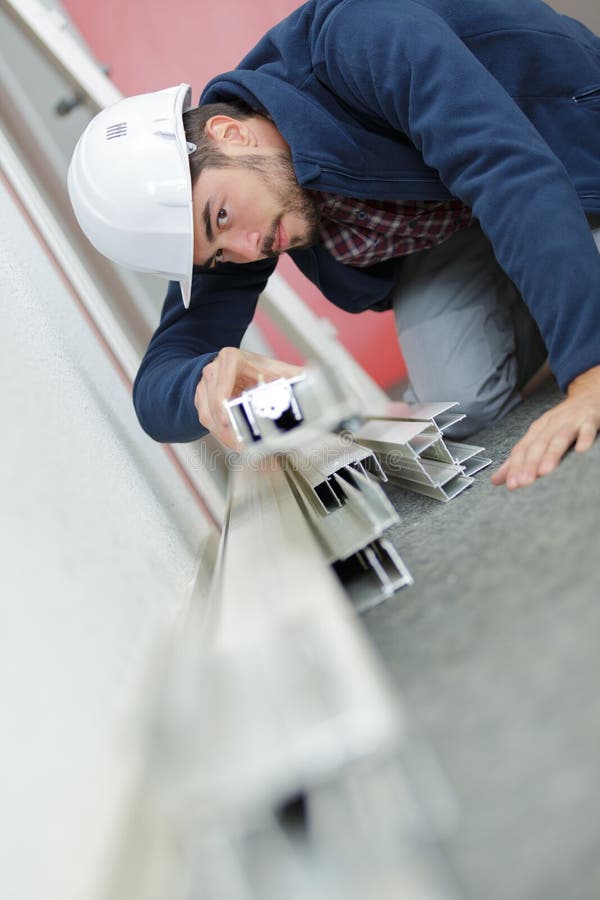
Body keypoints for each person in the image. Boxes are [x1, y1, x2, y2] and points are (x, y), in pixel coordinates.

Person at [68, 0, 600, 491]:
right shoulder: (234, 210)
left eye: (222, 217)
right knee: (456, 401)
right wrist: (202, 384)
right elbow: (156, 385)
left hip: (563, 150)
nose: (248, 249)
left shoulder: (358, 34)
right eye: (218, 255)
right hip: (460, 219)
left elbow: (504, 169)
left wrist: (588, 373)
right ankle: (561, 289)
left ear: (230, 134)